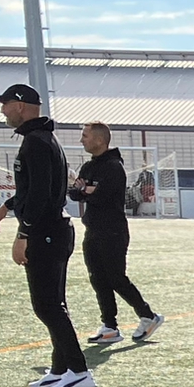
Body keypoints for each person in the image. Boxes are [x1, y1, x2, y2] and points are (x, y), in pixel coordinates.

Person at [0, 84, 89, 387]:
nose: (2, 110)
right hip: (53, 230)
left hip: (45, 232)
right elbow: (33, 188)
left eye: (5, 104)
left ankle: (79, 370)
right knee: (53, 304)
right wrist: (6, 207)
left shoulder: (37, 142)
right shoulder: (41, 139)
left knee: (47, 306)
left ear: (20, 105)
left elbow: (41, 194)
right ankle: (60, 370)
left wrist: (24, 233)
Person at [70, 121, 164, 349]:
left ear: (100, 140)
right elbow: (74, 193)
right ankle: (109, 327)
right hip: (92, 229)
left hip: (112, 232)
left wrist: (86, 191)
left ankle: (148, 315)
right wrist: (84, 191)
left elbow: (102, 197)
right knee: (98, 279)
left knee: (116, 278)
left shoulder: (113, 167)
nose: (81, 140)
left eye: (85, 136)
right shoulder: (88, 167)